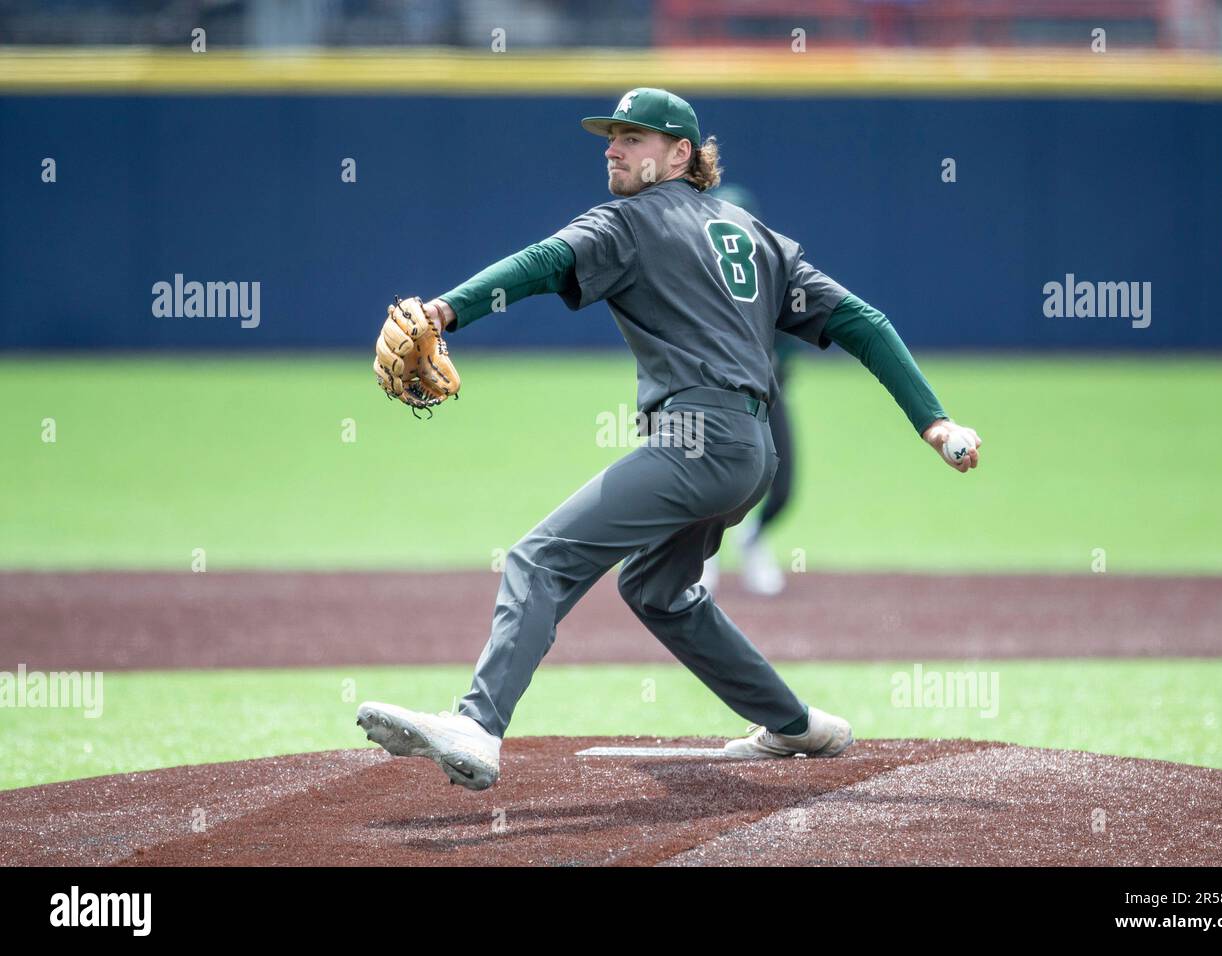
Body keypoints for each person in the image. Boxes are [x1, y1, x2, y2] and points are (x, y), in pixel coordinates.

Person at [357, 88, 981, 792]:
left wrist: (445, 309)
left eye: (634, 137)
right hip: (752, 454)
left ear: (681, 154)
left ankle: (476, 722)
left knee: (541, 559)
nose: (613, 148)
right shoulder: (757, 237)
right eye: (611, 136)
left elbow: (539, 262)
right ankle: (795, 724)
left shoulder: (629, 221)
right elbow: (863, 322)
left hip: (697, 441)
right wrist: (934, 420)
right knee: (658, 589)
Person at [699, 183, 798, 597]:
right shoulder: (692, 284)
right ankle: (701, 554)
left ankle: (752, 539)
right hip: (704, 400)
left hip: (765, 396)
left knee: (784, 486)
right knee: (704, 483)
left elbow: (788, 352)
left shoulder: (774, 282)